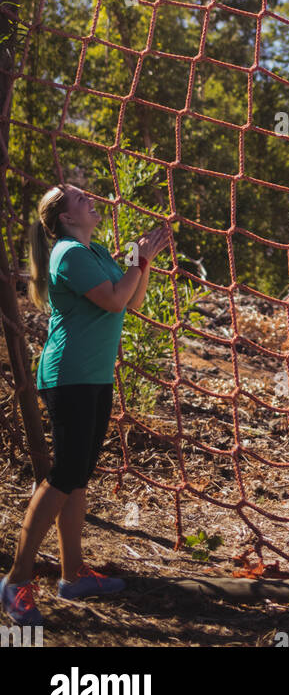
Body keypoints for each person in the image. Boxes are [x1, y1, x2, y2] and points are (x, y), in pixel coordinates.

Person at [0, 183, 170, 627]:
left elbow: (129, 300)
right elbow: (114, 298)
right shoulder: (68, 253)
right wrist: (136, 261)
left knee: (78, 478)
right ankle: (16, 580)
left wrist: (141, 262)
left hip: (93, 377)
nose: (89, 198)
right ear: (66, 218)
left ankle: (73, 574)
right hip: (69, 376)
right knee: (63, 476)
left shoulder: (95, 253)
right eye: (78, 197)